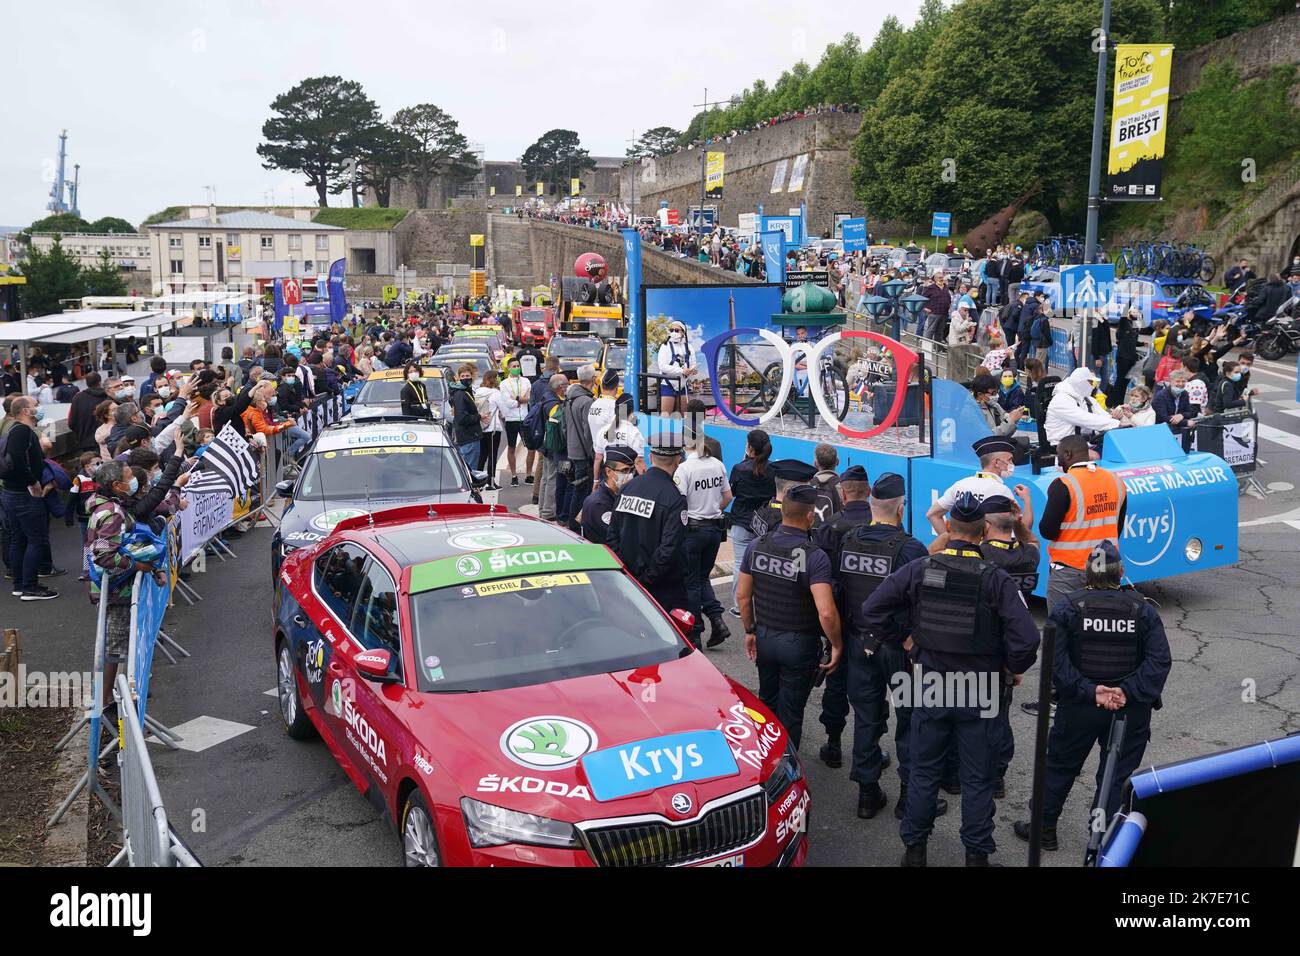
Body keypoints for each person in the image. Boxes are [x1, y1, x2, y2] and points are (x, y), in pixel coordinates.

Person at [863, 492, 1041, 866]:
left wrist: (907, 643)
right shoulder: (995, 579)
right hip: (981, 690)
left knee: (925, 772)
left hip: (930, 684)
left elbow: (873, 608)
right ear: (983, 532)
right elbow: (1027, 639)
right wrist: (1010, 667)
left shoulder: (922, 568)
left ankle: (915, 850)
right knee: (977, 779)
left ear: (951, 529)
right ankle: (976, 855)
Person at [1013, 541, 1171, 850]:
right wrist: (1127, 692)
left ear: (1086, 573)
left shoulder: (1069, 608)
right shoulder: (1142, 610)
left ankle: (1043, 829)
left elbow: (1055, 663)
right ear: (1121, 572)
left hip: (1080, 707)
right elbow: (1159, 661)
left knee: (1059, 766)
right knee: (1116, 775)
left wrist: (1090, 692)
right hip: (1129, 711)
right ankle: (1104, 840)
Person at [820, 469, 930, 818]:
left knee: (866, 718)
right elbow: (925, 603)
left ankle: (867, 794)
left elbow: (836, 590)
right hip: (901, 648)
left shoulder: (849, 540)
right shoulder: (911, 548)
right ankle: (907, 797)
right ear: (901, 508)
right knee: (910, 720)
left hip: (859, 642)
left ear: (870, 504)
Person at [1023, 434, 1127, 723]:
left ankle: (1057, 697)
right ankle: (1100, 690)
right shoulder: (1115, 481)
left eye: (1058, 454)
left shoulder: (1064, 484)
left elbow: (1048, 531)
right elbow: (1117, 525)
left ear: (1067, 454)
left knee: (1061, 635)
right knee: (1099, 632)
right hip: (1106, 570)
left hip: (1069, 570)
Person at [736, 483, 842, 750]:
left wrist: (750, 631)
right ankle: (785, 768)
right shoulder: (814, 556)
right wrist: (837, 645)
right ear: (810, 516)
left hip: (765, 637)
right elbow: (826, 612)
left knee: (767, 704)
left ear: (783, 511)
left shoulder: (756, 545)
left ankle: (764, 759)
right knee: (791, 711)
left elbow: (742, 597)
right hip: (799, 643)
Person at [606, 434, 689, 615]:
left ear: (651, 457)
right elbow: (669, 550)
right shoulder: (675, 498)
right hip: (661, 589)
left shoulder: (628, 488)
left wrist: (628, 575)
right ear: (678, 460)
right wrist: (646, 580)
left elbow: (612, 536)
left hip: (628, 582)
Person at [673, 430, 733, 648]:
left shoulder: (684, 469)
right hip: (714, 530)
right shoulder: (717, 464)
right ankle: (717, 620)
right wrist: (712, 511)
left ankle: (695, 631)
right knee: (701, 578)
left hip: (693, 530)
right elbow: (727, 496)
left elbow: (678, 503)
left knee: (691, 582)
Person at [3, 397, 58, 601]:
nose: (39, 408)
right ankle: (29, 586)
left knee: (18, 539)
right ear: (26, 411)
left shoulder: (14, 430)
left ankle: (20, 584)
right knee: (36, 538)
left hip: (12, 492)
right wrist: (32, 481)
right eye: (35, 405)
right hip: (23, 494)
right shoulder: (23, 431)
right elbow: (17, 459)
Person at [926, 435, 1017, 535]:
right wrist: (1027, 501)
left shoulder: (961, 484)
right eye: (1009, 460)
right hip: (989, 550)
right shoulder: (1001, 491)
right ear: (996, 462)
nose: (1012, 464)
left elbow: (932, 514)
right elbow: (1014, 531)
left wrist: (947, 542)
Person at [1045, 367, 1125, 448]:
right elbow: (1085, 419)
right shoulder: (1061, 400)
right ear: (1081, 382)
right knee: (1096, 456)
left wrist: (1116, 418)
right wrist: (1116, 424)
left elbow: (1103, 416)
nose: (1093, 387)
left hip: (1084, 443)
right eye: (1091, 383)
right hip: (1063, 447)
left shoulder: (1087, 399)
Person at [579, 444, 635, 545]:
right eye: (624, 470)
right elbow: (616, 537)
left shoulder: (620, 494)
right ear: (608, 471)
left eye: (632, 470)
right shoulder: (598, 504)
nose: (629, 475)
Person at [563, 365, 597, 532]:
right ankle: (575, 526)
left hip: (572, 449)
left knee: (576, 488)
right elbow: (588, 431)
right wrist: (594, 454)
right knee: (582, 490)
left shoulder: (570, 398)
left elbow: (564, 426)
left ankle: (572, 523)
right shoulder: (587, 401)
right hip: (584, 453)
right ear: (593, 379)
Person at [536, 373, 570, 522]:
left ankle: (543, 509)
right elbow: (559, 425)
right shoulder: (554, 404)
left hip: (546, 445)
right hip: (553, 447)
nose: (568, 387)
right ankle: (549, 512)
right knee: (552, 479)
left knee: (545, 478)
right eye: (567, 385)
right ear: (561, 388)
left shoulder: (546, 398)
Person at [498, 357, 532, 486]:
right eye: (514, 366)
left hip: (525, 417)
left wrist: (518, 399)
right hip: (511, 418)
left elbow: (529, 397)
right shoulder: (504, 384)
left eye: (518, 366)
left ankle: (529, 475)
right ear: (509, 368)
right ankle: (514, 475)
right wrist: (520, 400)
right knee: (511, 447)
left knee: (531, 447)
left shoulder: (526, 381)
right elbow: (508, 402)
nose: (517, 368)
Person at [655, 321, 697, 416]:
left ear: (683, 332)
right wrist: (681, 370)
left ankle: (680, 431)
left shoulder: (689, 347)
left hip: (682, 385)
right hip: (668, 384)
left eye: (676, 330)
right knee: (665, 416)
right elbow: (662, 366)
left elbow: (693, 363)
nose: (673, 332)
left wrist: (691, 370)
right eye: (671, 330)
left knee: (684, 417)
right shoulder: (665, 346)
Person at [449, 362, 483, 470]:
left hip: (469, 435)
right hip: (468, 436)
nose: (465, 378)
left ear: (472, 377)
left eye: (467, 376)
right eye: (462, 376)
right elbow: (462, 418)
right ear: (458, 378)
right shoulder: (460, 394)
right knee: (470, 470)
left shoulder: (466, 391)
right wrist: (478, 417)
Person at [67, 371, 110, 453]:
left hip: (86, 442)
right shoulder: (108, 396)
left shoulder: (78, 398)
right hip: (107, 439)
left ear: (87, 383)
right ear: (100, 382)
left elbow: (71, 422)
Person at [475, 369, 504, 487]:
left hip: (482, 426)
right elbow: (504, 410)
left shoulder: (478, 392)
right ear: (494, 379)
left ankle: (478, 481)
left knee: (482, 455)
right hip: (493, 428)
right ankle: (491, 482)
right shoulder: (496, 393)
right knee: (493, 456)